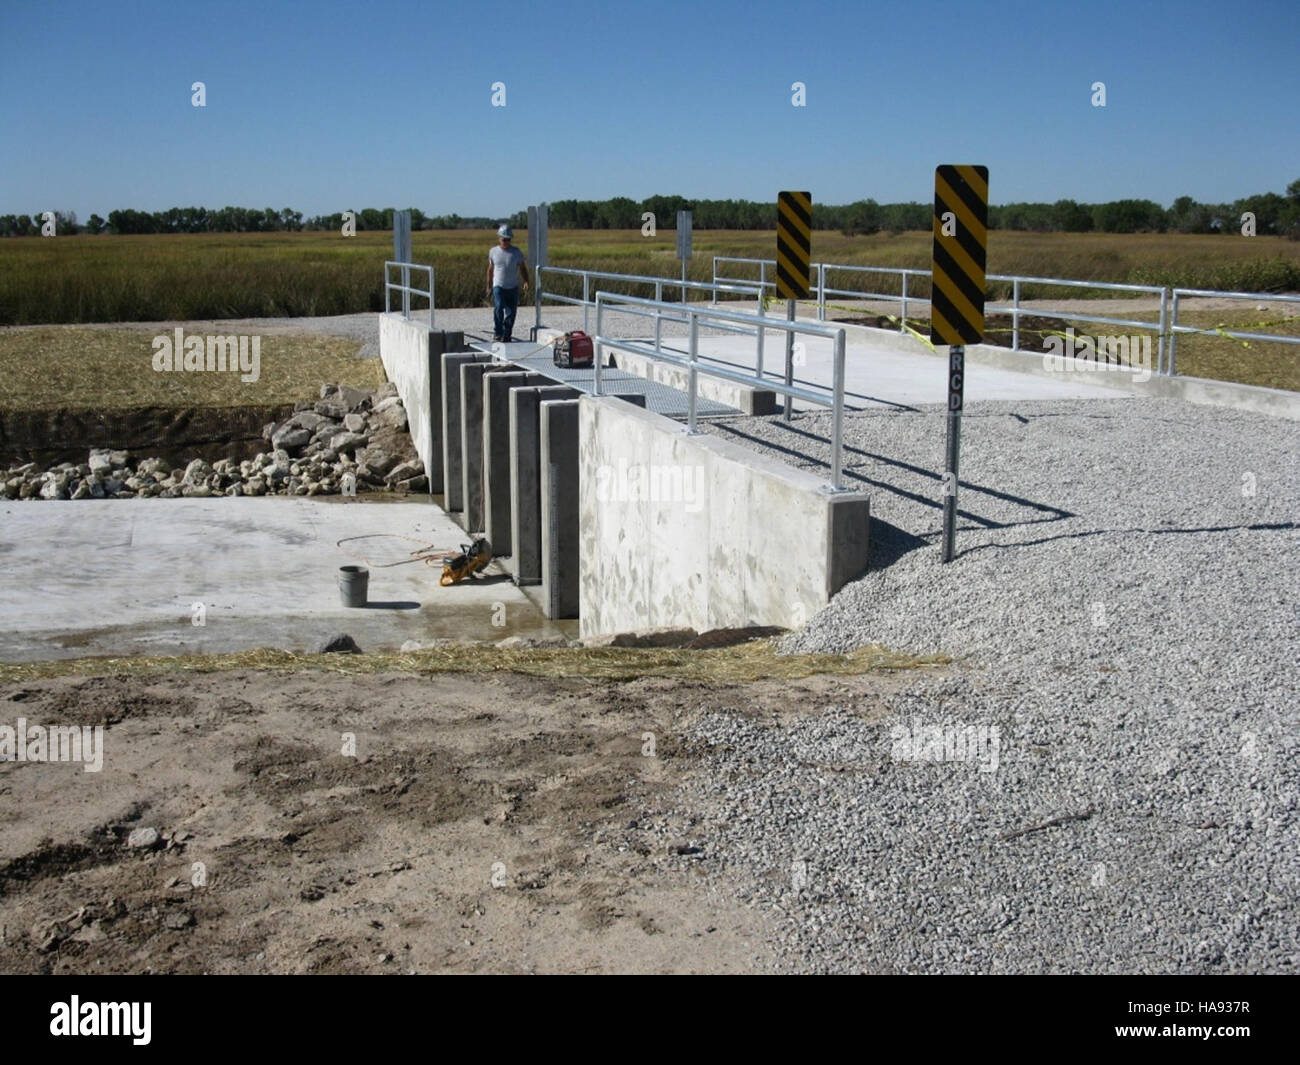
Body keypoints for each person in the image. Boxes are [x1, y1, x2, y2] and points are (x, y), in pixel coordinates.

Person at [486, 224, 529, 342]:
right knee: (499, 307)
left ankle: (507, 333)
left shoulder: (516, 252)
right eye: (504, 239)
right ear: (499, 238)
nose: (506, 242)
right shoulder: (493, 252)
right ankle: (498, 332)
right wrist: (489, 285)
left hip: (513, 286)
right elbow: (490, 269)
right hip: (498, 285)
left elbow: (523, 268)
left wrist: (526, 281)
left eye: (508, 239)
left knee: (511, 312)